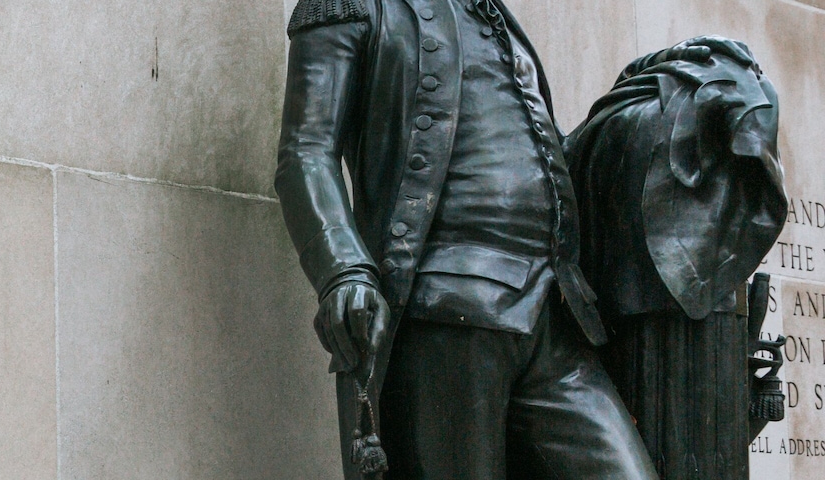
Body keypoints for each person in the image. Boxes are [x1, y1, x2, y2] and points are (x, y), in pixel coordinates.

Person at [275, 0, 745, 477]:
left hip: (554, 315)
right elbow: (305, 153)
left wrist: (651, 84)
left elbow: (551, 155)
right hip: (447, 307)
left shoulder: (493, 15)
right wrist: (343, 269)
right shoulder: (350, 4)